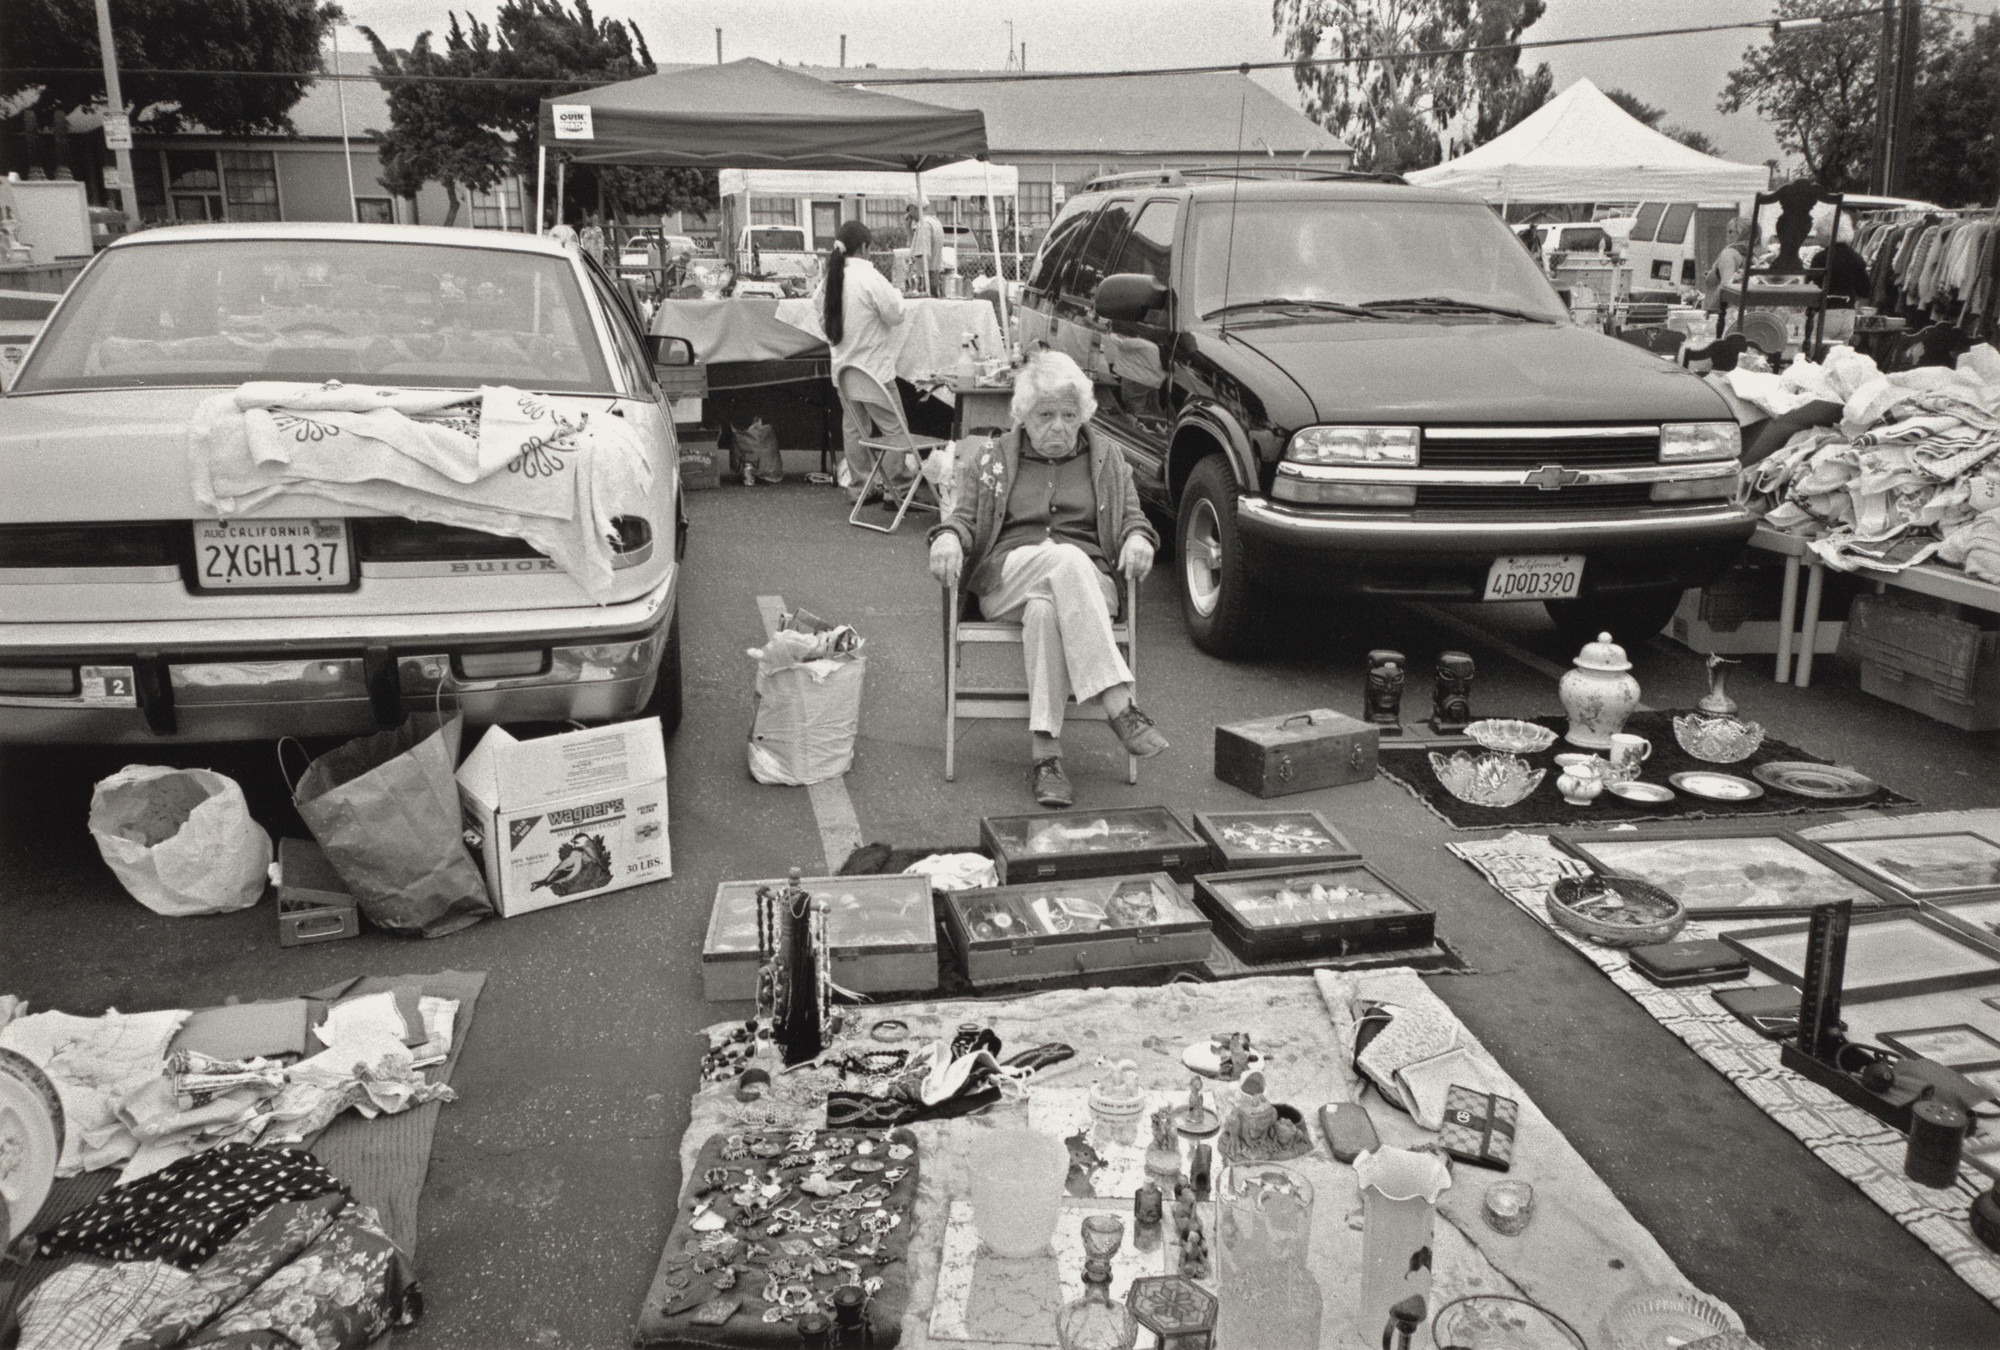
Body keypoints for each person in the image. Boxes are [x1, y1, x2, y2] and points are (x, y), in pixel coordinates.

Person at [927, 350, 1168, 808]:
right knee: (1064, 562)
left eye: (1068, 415)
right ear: (1023, 415)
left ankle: (1047, 759)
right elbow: (963, 519)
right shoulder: (994, 459)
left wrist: (1139, 541)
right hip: (1008, 580)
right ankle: (1119, 701)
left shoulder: (1108, 458)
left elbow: (1135, 520)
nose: (1058, 426)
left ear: (1083, 414)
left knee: (1047, 607)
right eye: (1046, 415)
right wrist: (947, 540)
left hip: (1090, 589)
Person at [816, 219, 913, 500]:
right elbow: (895, 314)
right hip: (875, 372)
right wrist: (898, 294)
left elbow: (821, 318)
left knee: (855, 428)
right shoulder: (870, 278)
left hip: (845, 373)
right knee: (895, 430)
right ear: (865, 247)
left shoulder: (830, 281)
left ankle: (860, 487)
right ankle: (899, 488)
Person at [1702, 218, 1757, 315]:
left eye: (1730, 231)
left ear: (1742, 233)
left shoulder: (1729, 254)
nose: (1727, 235)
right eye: (1727, 231)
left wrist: (1710, 312)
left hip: (1721, 315)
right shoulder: (1752, 257)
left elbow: (1725, 287)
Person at [906, 199, 945, 298]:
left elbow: (921, 254)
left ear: (914, 208)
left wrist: (918, 282)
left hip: (926, 278)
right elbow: (916, 246)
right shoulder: (935, 222)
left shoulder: (924, 224)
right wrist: (908, 228)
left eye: (908, 210)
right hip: (935, 274)